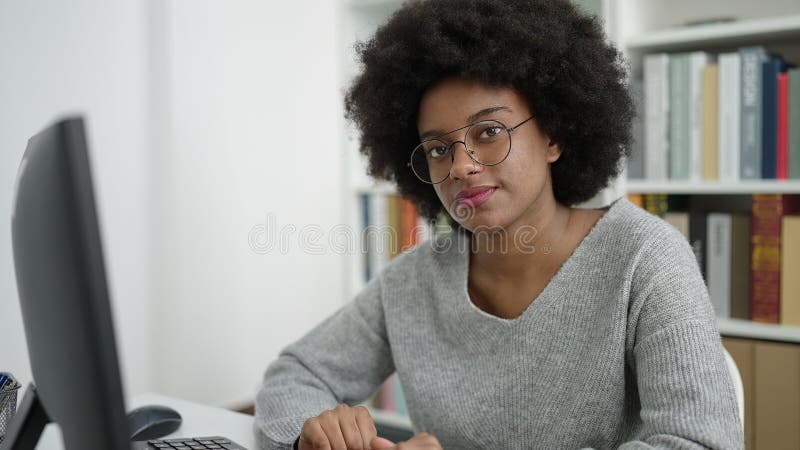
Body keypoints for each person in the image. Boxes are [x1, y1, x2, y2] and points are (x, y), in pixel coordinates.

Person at [254, 0, 743, 449]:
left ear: (554, 134)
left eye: (489, 133)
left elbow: (699, 440)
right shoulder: (413, 283)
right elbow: (294, 375)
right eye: (439, 148)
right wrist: (314, 437)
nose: (462, 165)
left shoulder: (645, 260)